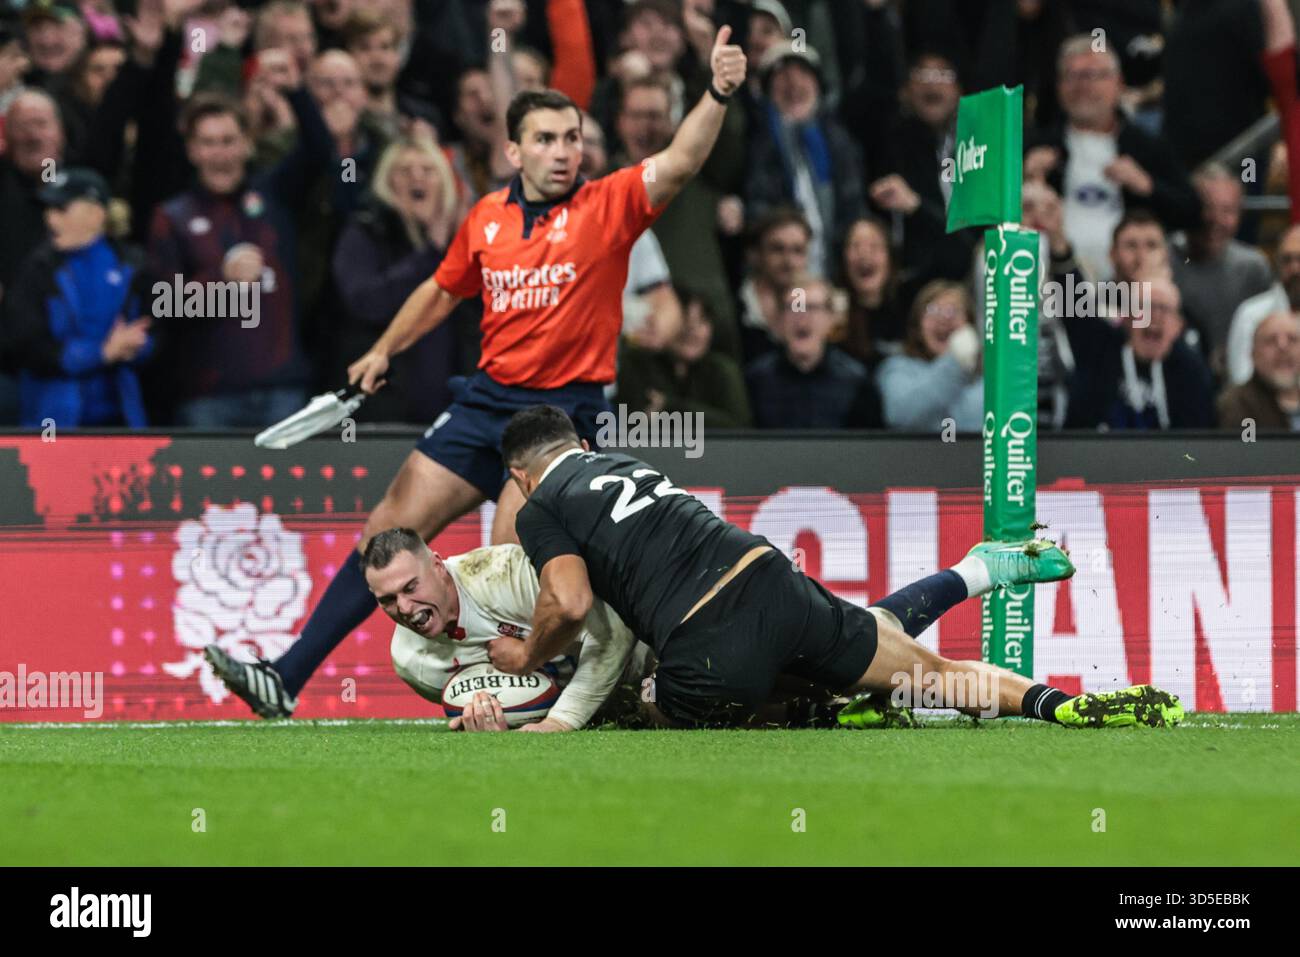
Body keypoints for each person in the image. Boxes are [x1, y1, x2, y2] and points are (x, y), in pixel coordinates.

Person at [204, 31, 751, 719]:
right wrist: (383, 350)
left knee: (509, 557)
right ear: (514, 151)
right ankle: (285, 676)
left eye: (572, 138)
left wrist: (718, 91)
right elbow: (441, 290)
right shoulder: (486, 217)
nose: (563, 152)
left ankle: (541, 687)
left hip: (561, 418)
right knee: (386, 532)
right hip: (487, 400)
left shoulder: (606, 206)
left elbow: (678, 161)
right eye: (546, 139)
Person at [488, 404, 1183, 730]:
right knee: (924, 671)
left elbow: (569, 601)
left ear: (520, 475)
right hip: (767, 573)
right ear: (580, 442)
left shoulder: (538, 504)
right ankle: (1061, 706)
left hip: (704, 642)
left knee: (651, 710)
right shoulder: (623, 461)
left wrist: (525, 652)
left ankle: (823, 709)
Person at [363, 532, 635, 732]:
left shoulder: (504, 574)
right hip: (610, 716)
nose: (404, 607)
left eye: (411, 587)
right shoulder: (412, 662)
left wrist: (561, 721)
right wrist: (493, 722)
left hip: (651, 667)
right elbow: (527, 709)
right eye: (387, 599)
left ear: (438, 566)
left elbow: (615, 630)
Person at [2, 167, 152, 429]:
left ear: (96, 214)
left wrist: (138, 344)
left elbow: (159, 330)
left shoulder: (134, 264)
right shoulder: (37, 269)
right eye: (48, 211)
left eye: (61, 210)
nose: (50, 220)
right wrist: (101, 353)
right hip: (53, 422)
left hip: (122, 421)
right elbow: (25, 345)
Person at [330, 135, 464, 423]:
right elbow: (366, 302)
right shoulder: (365, 231)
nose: (417, 179)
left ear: (443, 181)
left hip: (449, 408)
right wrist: (430, 250)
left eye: (427, 171)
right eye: (405, 171)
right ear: (387, 183)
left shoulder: (463, 242)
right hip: (383, 407)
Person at [1065, 276, 1216, 430]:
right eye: (1146, 307)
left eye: (1164, 309)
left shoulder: (1192, 372)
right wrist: (1061, 256)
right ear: (1127, 318)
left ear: (1178, 326)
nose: (1155, 316)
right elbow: (1072, 304)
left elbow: (1197, 441)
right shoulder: (1099, 352)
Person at [745, 275, 881, 429]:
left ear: (831, 318)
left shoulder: (856, 383)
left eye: (812, 308)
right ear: (780, 319)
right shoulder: (756, 380)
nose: (802, 319)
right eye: (794, 307)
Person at [618, 290, 751, 429]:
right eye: (684, 319)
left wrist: (670, 407)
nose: (693, 331)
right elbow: (631, 426)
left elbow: (739, 429)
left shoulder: (723, 370)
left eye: (702, 320)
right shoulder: (636, 366)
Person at [876, 279, 982, 432]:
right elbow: (900, 415)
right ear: (918, 326)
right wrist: (955, 363)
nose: (944, 319)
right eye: (933, 310)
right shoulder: (897, 367)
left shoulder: (990, 375)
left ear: (970, 324)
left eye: (954, 310)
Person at [1217, 311, 1300, 432]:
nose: (1283, 347)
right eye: (1271, 340)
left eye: (1292, 339)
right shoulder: (1237, 405)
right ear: (1253, 354)